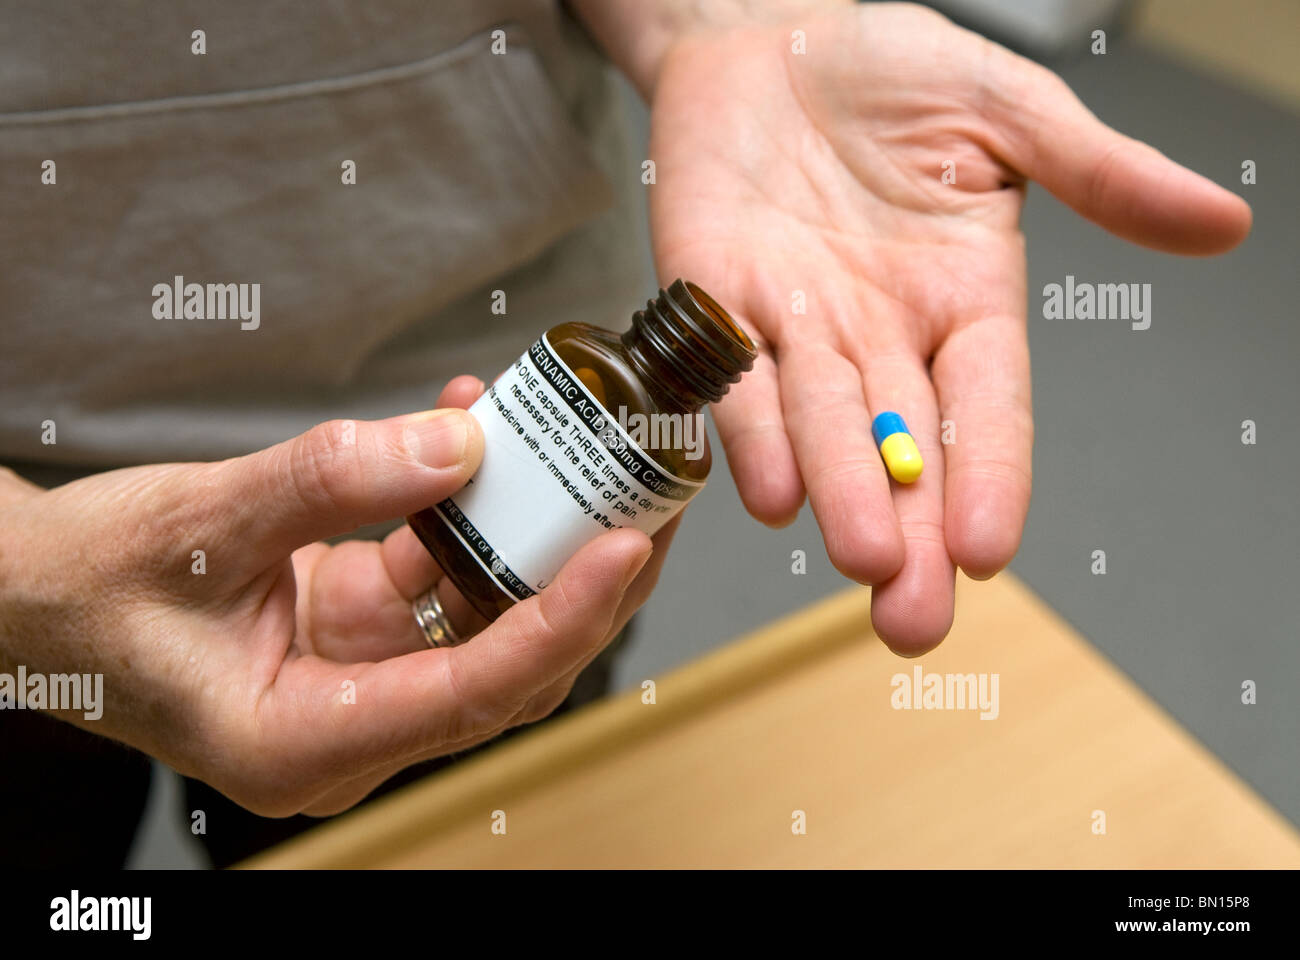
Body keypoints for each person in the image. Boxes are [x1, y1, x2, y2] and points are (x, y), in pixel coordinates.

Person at [0, 0, 1250, 866]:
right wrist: (22, 575)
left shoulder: (646, 418)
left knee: (432, 819)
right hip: (21, 501)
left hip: (452, 545)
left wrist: (734, 25)